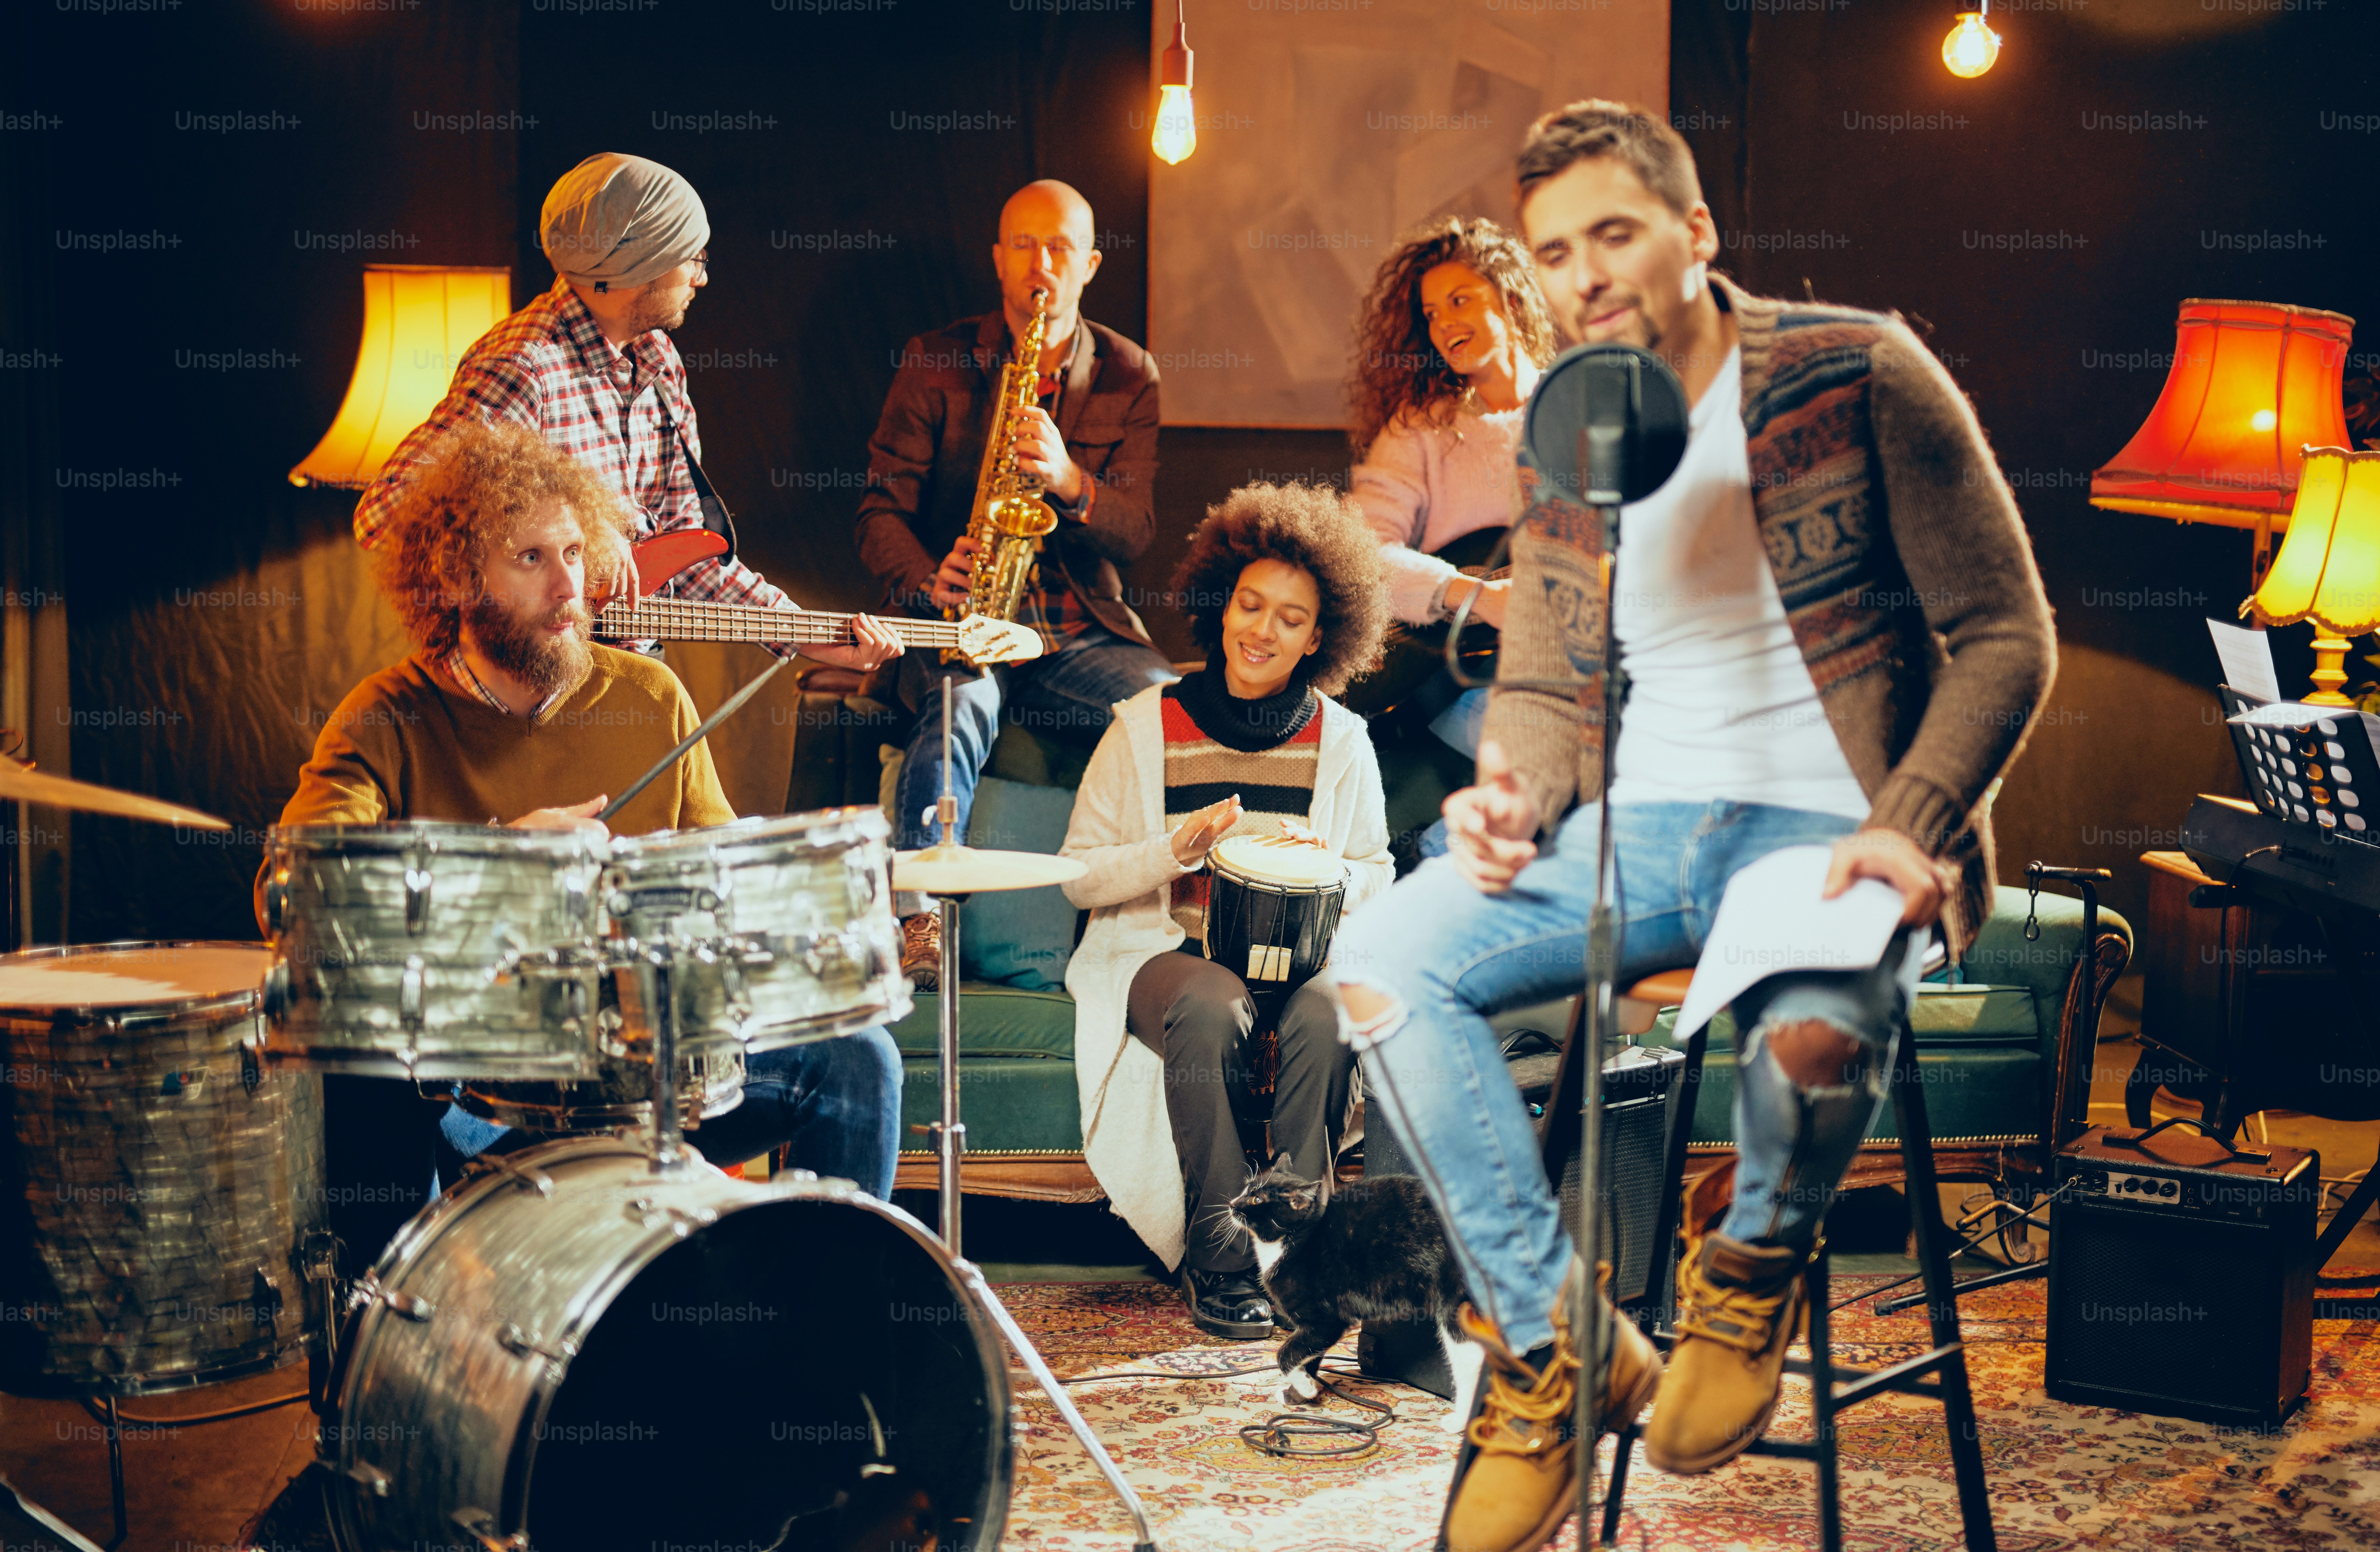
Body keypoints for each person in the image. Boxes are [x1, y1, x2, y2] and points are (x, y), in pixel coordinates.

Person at [1329, 101, 2056, 1552]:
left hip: (1838, 827)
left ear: (1696, 231)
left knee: (1813, 1023)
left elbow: (2006, 634)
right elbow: (1547, 674)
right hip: (1647, 829)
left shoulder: (1857, 368)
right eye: (1555, 251)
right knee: (1382, 962)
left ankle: (1752, 1266)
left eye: (1614, 233)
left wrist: (1913, 819)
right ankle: (1555, 1344)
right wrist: (1513, 790)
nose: (1585, 274)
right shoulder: (1576, 419)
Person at [269, 422, 902, 1266]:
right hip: (473, 1092)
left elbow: (722, 878)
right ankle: (395, 1332)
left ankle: (826, 1318)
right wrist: (501, 859)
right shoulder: (384, 717)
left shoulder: (652, 694)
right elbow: (305, 893)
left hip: (649, 1076)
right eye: (531, 558)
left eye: (575, 552)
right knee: (363, 1066)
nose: (570, 585)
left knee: (858, 1057)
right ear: (456, 576)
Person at [352, 151, 895, 678]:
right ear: (641, 266)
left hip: (627, 677)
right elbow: (385, 514)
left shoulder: (660, 362)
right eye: (693, 259)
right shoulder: (525, 367)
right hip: (534, 689)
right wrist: (579, 535)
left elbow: (688, 549)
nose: (702, 278)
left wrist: (803, 633)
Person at [1058, 484, 1391, 1339]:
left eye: (1291, 618)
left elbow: (1376, 871)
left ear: (1319, 637)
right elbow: (1079, 877)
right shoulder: (1143, 725)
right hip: (1166, 963)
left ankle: (1301, 1253)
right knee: (1214, 1000)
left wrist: (1326, 871)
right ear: (1220, 603)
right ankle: (1223, 1259)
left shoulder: (1342, 740)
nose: (1262, 630)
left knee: (1330, 1011)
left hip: (1301, 965)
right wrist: (1174, 851)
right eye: (1250, 604)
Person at [856, 179, 1174, 988]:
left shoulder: (1130, 372)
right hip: (965, 614)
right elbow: (877, 513)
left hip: (1075, 627)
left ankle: (1163, 918)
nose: (1041, 265)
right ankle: (917, 924)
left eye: (1060, 247)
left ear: (1090, 264)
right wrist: (930, 577)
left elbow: (1136, 530)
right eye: (1024, 246)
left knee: (1166, 710)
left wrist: (1068, 479)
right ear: (998, 258)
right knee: (958, 711)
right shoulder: (935, 359)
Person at [1342, 216, 1558, 759]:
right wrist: (1478, 598)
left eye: (1460, 301)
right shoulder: (1418, 429)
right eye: (1432, 313)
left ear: (1511, 301)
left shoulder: (1577, 411)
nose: (1443, 325)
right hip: (1460, 679)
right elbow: (1362, 556)